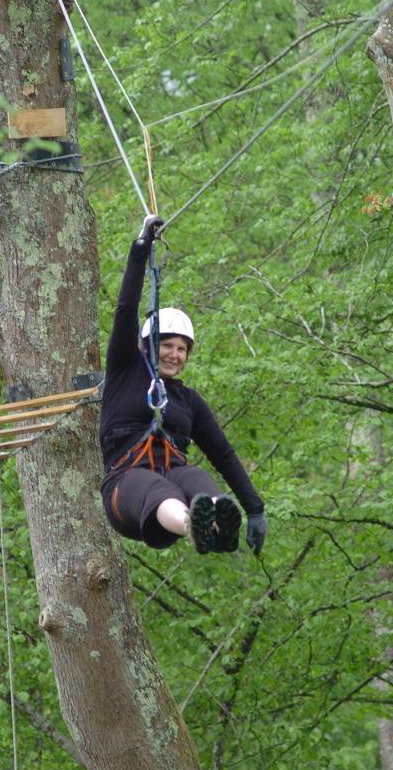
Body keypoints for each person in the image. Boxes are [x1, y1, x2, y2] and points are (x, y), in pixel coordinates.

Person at [99, 215, 267, 555]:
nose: (174, 355)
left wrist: (254, 508)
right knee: (160, 489)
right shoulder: (125, 370)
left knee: (197, 480)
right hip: (126, 486)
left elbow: (222, 453)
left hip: (172, 473)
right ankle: (195, 527)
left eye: (181, 349)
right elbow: (126, 309)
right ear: (147, 344)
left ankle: (218, 527)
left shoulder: (187, 400)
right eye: (167, 345)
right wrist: (141, 249)